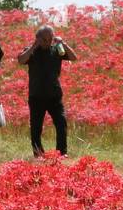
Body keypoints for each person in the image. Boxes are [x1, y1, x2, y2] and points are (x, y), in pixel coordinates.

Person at [17, 24, 78, 158]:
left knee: (61, 123)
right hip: (36, 96)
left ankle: (61, 153)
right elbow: (21, 60)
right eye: (45, 39)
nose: (48, 42)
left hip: (54, 95)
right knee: (36, 127)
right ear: (38, 38)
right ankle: (38, 154)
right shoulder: (31, 51)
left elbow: (74, 57)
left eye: (51, 39)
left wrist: (63, 43)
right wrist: (34, 46)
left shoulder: (57, 49)